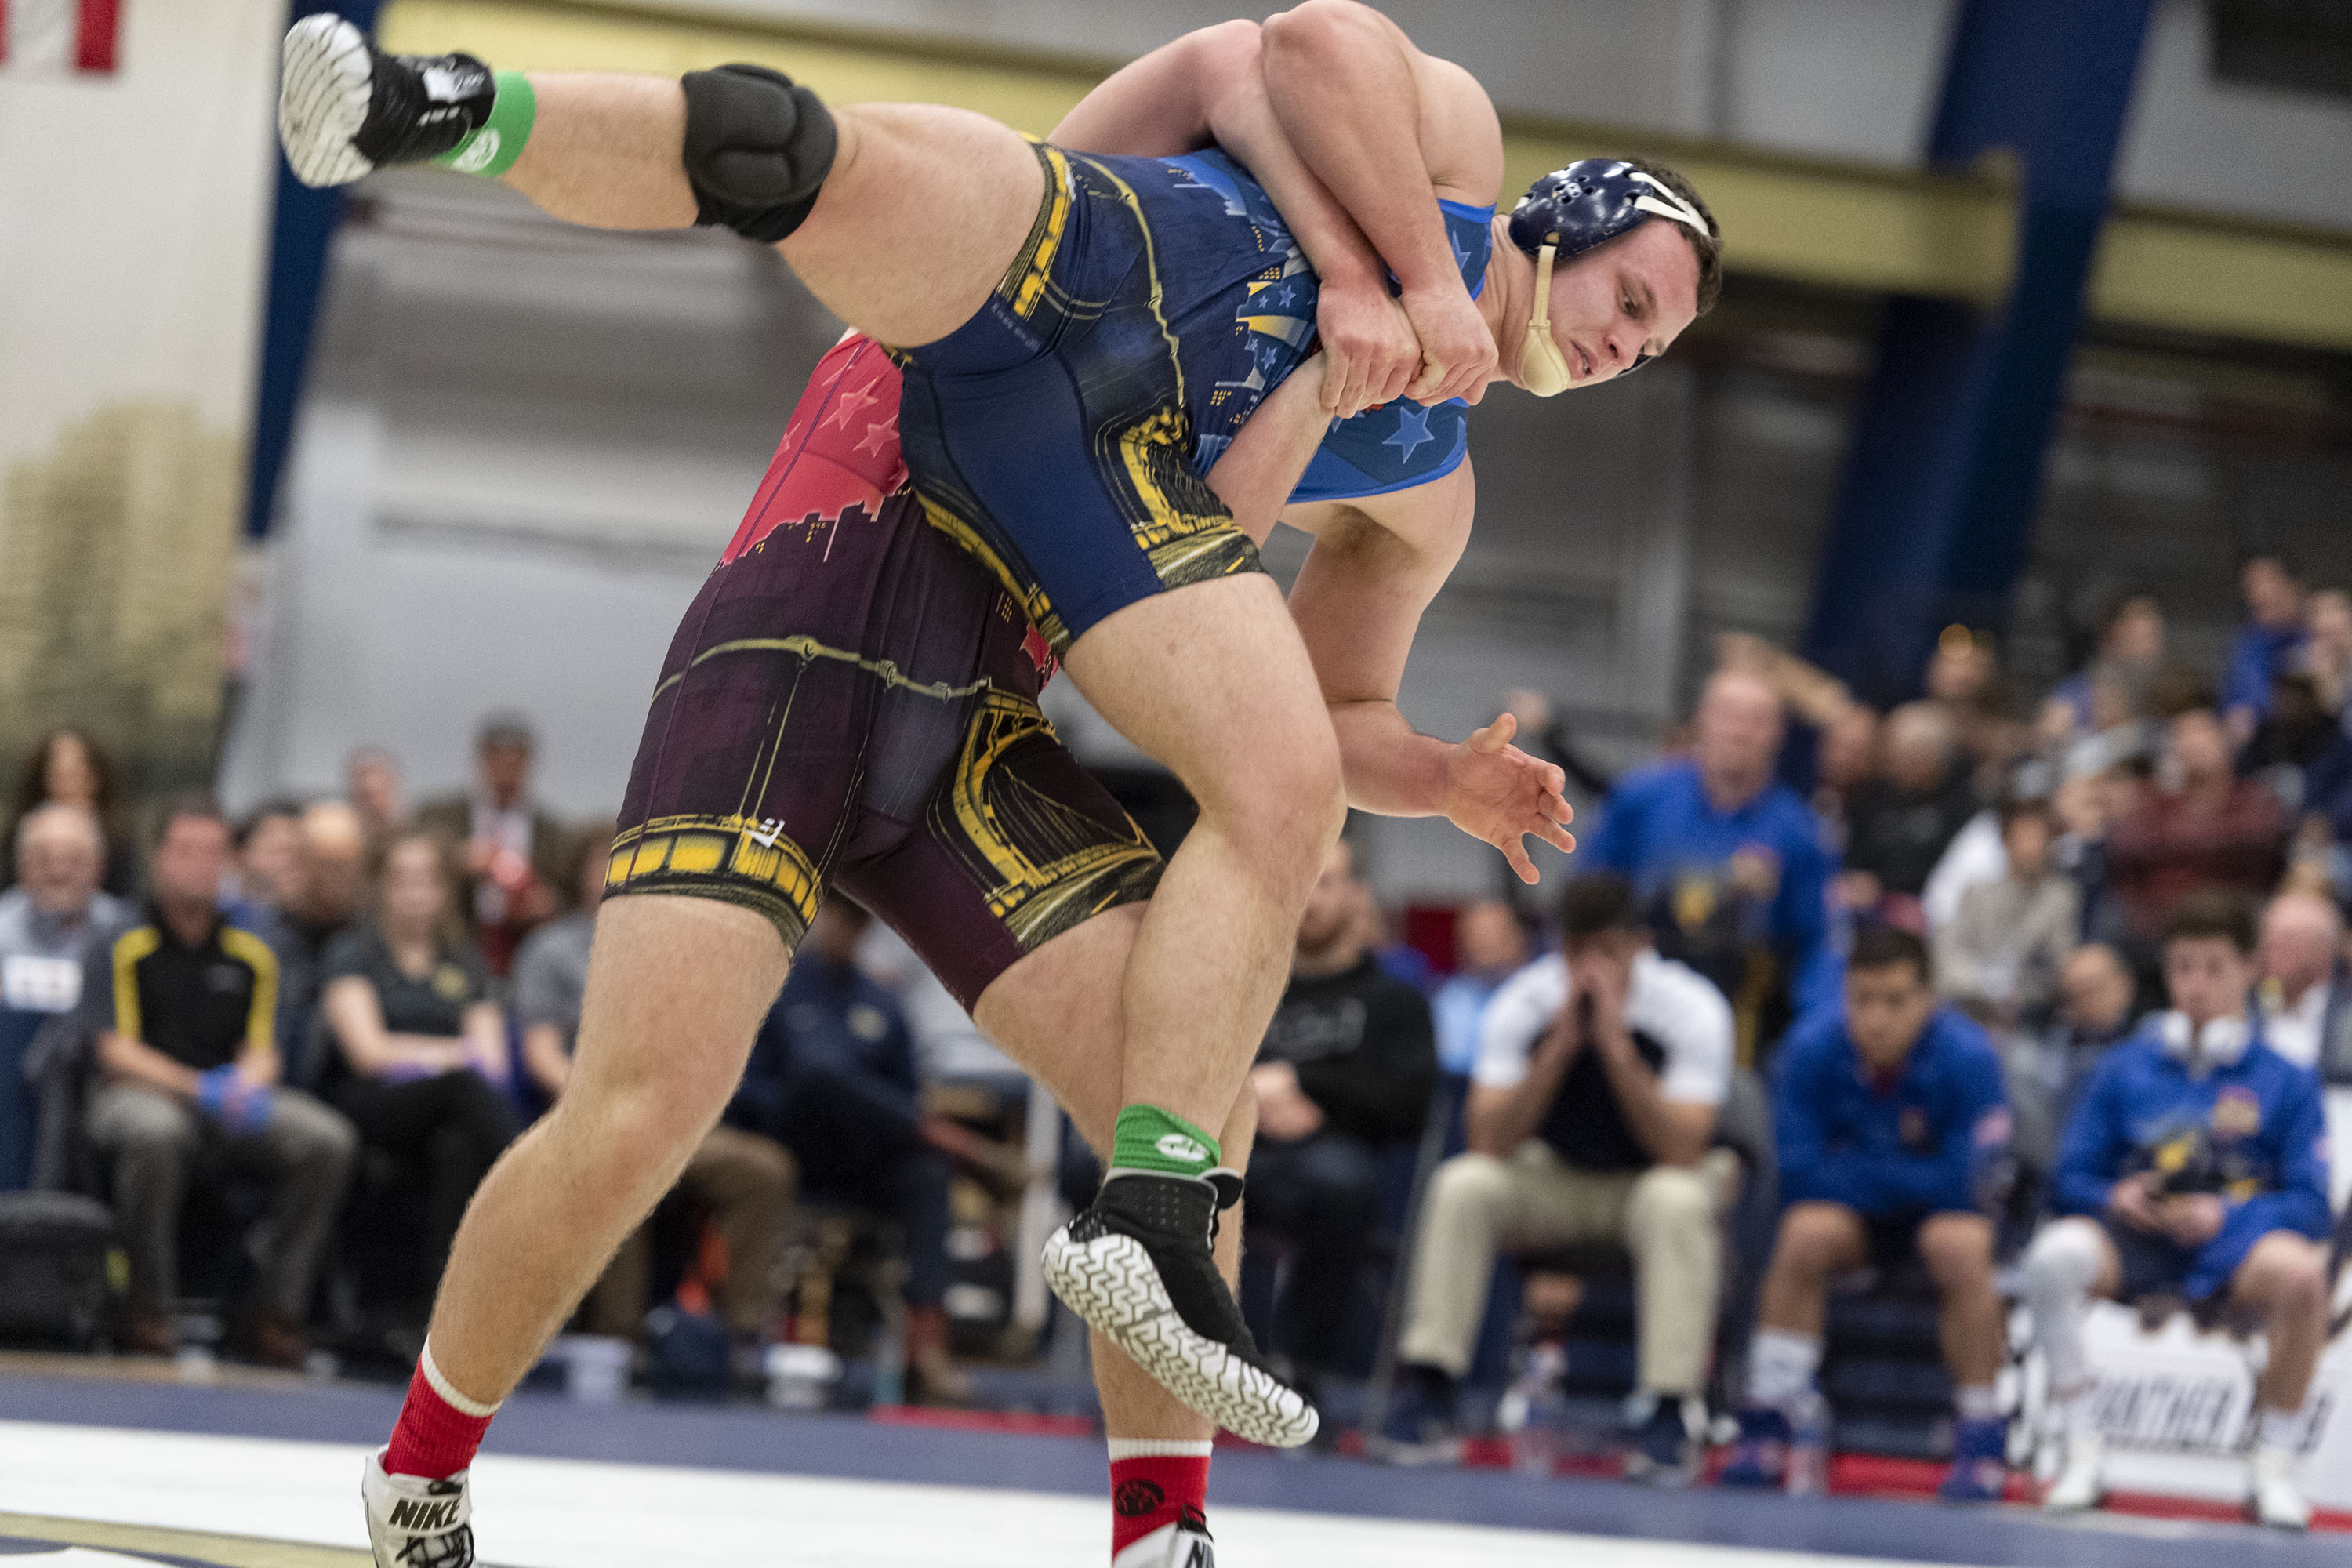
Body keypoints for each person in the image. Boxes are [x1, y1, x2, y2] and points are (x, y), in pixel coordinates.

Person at [274, 8, 1693, 1558]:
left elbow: (1242, 628)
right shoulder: (1453, 167)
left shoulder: (1432, 486)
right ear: (1568, 227)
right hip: (861, 530)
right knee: (641, 1107)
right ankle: (435, 106)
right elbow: (1289, 47)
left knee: (1200, 1086)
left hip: (979, 688)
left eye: (1659, 344)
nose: (1630, 346)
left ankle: (1161, 1524)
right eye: (1634, 297)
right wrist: (1395, 277)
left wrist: (1433, 769)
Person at [1388, 873, 1735, 1483]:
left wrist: (1617, 1047)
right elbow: (1488, 1139)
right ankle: (1429, 1385)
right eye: (1577, 952)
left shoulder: (1692, 1006)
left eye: (1609, 951)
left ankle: (1671, 1407)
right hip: (1559, 1179)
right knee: (1464, 1184)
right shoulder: (1527, 1001)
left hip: (1650, 1183)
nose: (1591, 969)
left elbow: (1683, 1148)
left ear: (1640, 944)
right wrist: (1560, 1047)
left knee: (1679, 1199)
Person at [2021, 891, 2332, 1529]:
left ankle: (2272, 1470)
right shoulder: (2123, 1068)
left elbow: (2311, 1206)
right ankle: (2082, 1450)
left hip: (2232, 1247)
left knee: (2303, 1275)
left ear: (2251, 969)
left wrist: (2229, 1218)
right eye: (2184, 967)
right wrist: (2116, 1196)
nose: (2196, 985)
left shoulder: (2287, 1079)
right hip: (2136, 1242)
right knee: (2051, 1261)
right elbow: (2068, 1179)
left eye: (2214, 968)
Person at [1720, 924, 2012, 1503]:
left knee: (1963, 1245)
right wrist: (1909, 1177)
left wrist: (1859, 1169)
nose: (1875, 1018)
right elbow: (1797, 1175)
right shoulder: (1811, 1048)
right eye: (1862, 1000)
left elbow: (1971, 1182)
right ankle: (1769, 1418)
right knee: (1804, 1232)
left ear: (1928, 999)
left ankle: (1980, 1434)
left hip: (1934, 1223)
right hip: (1853, 1222)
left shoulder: (1971, 1056)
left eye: (1895, 1001)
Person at [83, 798, 357, 1364]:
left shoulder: (254, 945)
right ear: (159, 858)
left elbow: (266, 1051)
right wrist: (193, 1087)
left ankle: (274, 1309)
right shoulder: (121, 936)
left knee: (325, 1140)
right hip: (141, 1093)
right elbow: (115, 1050)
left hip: (227, 1097)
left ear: (230, 861)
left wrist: (243, 1084)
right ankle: (145, 1308)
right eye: (185, 851)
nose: (198, 866)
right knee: (155, 1134)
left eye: (212, 853)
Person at [516, 820, 794, 1356]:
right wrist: (597, 1095)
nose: (613, 872)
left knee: (764, 1170)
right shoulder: (552, 950)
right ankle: (622, 1337)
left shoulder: (672, 945)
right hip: (586, 1114)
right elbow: (541, 1051)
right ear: (580, 873)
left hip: (667, 1113)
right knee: (622, 1166)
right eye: (601, 862)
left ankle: (738, 1333)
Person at [731, 898, 969, 1403]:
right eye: (839, 916)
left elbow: (906, 1092)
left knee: (926, 1175)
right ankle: (960, 1144)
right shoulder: (774, 989)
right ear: (819, 917)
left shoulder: (882, 1004)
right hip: (791, 1150)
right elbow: (741, 1088)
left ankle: (928, 1349)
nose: (848, 929)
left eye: (859, 920)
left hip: (860, 1160)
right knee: (821, 1078)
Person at [1245, 840, 1435, 1398]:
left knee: (1342, 1186)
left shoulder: (1395, 1002)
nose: (1308, 899)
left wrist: (1304, 1086)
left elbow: (1408, 1107)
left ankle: (1301, 1379)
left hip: (1335, 1156)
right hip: (1238, 1148)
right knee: (1151, 1173)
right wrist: (1251, 1095)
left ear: (1358, 897)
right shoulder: (1246, 990)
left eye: (1325, 883)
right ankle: (1166, 1372)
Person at [318, 830, 519, 1327]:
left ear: (445, 890)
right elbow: (369, 1053)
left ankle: (439, 1316)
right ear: (380, 888)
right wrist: (452, 1055)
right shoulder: (352, 953)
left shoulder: (463, 962)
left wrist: (428, 1056)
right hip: (370, 1104)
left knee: (457, 1145)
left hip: (445, 1113)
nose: (415, 893)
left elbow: (493, 1061)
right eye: (402, 880)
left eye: (427, 880)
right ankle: (531, 1187)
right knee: (462, 1089)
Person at [1587, 668, 1839, 1062]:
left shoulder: (1801, 833)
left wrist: (1817, 1031)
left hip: (1742, 1021)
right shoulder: (1640, 799)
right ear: (1701, 721)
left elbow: (1815, 941)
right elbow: (1588, 899)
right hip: (1631, 1008)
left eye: (1757, 720)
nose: (1740, 731)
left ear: (1778, 734)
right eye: (1728, 715)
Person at [0, 804, 125, 1189]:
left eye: (73, 859)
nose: (58, 871)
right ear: (21, 868)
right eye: (43, 859)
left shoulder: (125, 933)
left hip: (101, 1075)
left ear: (98, 869)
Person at [2105, 696, 2285, 939]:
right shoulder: (2151, 801)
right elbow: (2129, 850)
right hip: (2155, 923)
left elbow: (2255, 844)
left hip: (2235, 918)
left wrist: (2178, 843)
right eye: (2183, 735)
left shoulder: (2253, 797)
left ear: (2225, 742)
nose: (2193, 743)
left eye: (2202, 733)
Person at [416, 715, 564, 974]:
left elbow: (565, 889)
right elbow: (415, 854)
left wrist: (544, 902)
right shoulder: (439, 815)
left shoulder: (552, 829)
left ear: (528, 764)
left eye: (514, 763)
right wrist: (456, 858)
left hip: (525, 952)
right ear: (481, 761)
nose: (505, 773)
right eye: (497, 761)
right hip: (456, 945)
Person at [1933, 797, 2078, 1031]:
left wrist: (2022, 987)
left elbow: (2062, 965)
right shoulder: (1976, 893)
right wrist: (1988, 984)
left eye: (2039, 838)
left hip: (2030, 1017)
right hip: (1972, 1008)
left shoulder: (2061, 898)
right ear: (2005, 841)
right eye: (2023, 837)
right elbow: (1949, 957)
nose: (2032, 847)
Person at [1839, 701, 1976, 930]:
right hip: (1872, 912)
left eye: (1902, 756)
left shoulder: (1963, 804)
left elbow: (1957, 873)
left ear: (1928, 757)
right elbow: (1857, 854)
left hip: (1934, 915)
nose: (1891, 765)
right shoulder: (1873, 796)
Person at [2005, 943, 2140, 1174]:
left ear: (2125, 983)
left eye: (2095, 988)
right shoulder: (2044, 1058)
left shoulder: (2152, 1048)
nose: (2087, 1001)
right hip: (2063, 1172)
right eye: (2075, 994)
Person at [270, 802, 371, 1081]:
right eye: (327, 863)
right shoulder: (270, 936)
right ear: (301, 861)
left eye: (348, 864)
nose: (340, 876)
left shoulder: (374, 938)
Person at [6, 728, 136, 898]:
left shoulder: (118, 846)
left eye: (77, 776)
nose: (59, 872)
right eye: (60, 777)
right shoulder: (18, 838)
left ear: (95, 780)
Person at [2045, 593, 2164, 746]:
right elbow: (2050, 733)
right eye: (2140, 619)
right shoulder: (2078, 689)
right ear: (2115, 631)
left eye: (2153, 620)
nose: (2153, 626)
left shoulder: (2172, 683)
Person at [1431, 899, 1532, 1076]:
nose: (1483, 942)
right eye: (1475, 933)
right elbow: (1449, 1064)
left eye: (1493, 933)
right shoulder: (1448, 1001)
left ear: (1519, 937)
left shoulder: (1542, 993)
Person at [2254, 891, 2349, 1075]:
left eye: (2287, 938)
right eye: (2268, 938)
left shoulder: (2346, 1015)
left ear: (2323, 949)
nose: (2272, 948)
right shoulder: (2248, 1006)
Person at [2223, 553, 2310, 742]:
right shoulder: (2250, 639)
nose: (2259, 593)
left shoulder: (2321, 633)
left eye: (2269, 582)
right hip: (2264, 746)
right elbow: (2236, 699)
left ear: (2296, 586)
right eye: (2250, 587)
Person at [229, 800, 305, 918]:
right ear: (240, 855)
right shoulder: (218, 917)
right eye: (275, 852)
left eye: (297, 854)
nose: (286, 864)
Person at [347, 746, 408, 844]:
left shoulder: (411, 836)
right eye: (365, 796)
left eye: (378, 794)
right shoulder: (345, 840)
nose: (373, 805)